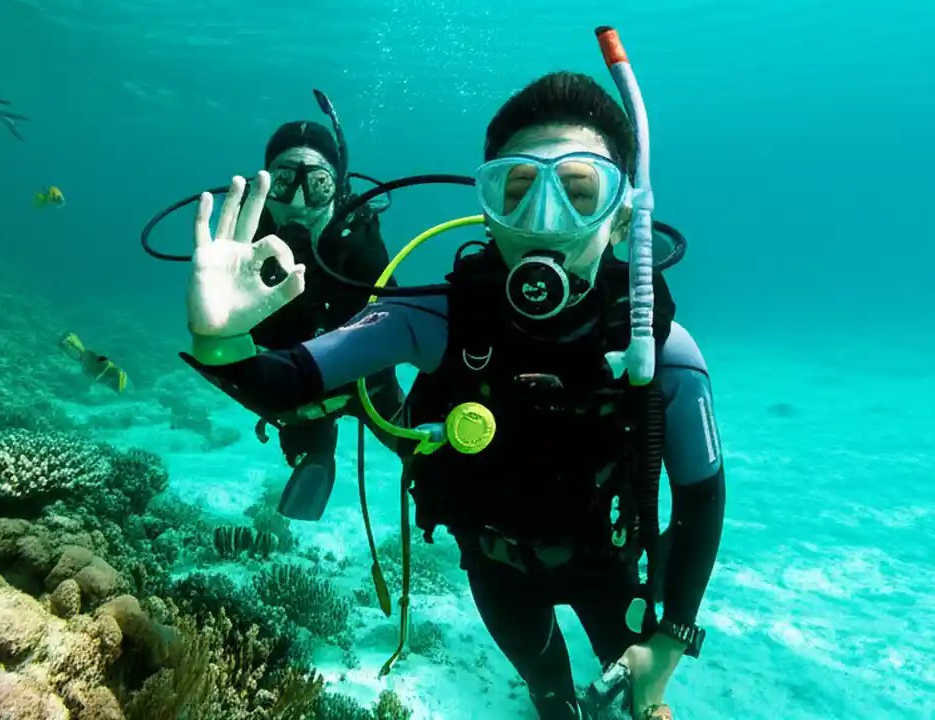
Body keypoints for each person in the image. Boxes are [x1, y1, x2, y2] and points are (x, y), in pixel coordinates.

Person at [178, 61, 725, 720]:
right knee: (549, 691)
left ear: (620, 219)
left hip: (610, 567)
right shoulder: (434, 317)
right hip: (495, 569)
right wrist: (221, 342)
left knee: (640, 701)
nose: (544, 219)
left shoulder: (661, 352)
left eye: (580, 190)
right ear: (487, 209)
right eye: (516, 188)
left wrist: (671, 638)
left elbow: (701, 495)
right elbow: (289, 381)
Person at [245, 111, 408, 521]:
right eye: (283, 182)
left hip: (366, 380)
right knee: (304, 436)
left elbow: (394, 330)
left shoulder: (359, 240)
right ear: (264, 187)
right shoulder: (243, 237)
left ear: (336, 189)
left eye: (317, 185)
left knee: (422, 446)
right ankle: (317, 446)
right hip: (292, 376)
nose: (298, 203)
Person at [58, 332, 129, 393]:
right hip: (96, 366)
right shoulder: (114, 373)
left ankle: (69, 340)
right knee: (82, 353)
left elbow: (89, 372)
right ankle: (69, 339)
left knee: (81, 354)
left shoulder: (108, 376)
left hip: (94, 367)